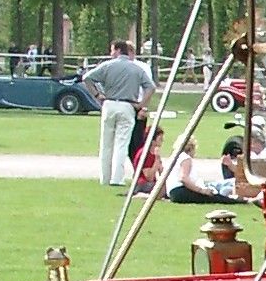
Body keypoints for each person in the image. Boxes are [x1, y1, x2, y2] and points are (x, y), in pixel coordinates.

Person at [82, 40, 155, 187]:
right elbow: (151, 87)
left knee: (106, 143)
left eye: (112, 50)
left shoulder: (108, 65)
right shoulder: (136, 69)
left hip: (109, 104)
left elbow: (87, 78)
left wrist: (97, 95)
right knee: (122, 143)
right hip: (127, 105)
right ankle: (117, 178)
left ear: (117, 50)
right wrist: (141, 104)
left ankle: (105, 177)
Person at [168, 136, 253, 204]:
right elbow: (183, 178)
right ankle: (238, 201)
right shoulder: (186, 158)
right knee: (213, 197)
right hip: (180, 191)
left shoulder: (174, 157)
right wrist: (201, 190)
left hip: (173, 192)